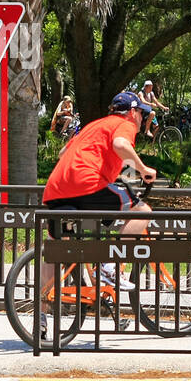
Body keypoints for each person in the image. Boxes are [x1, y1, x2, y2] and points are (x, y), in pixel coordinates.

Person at [38, 91, 159, 336]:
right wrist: (143, 168)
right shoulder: (123, 125)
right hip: (86, 186)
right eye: (140, 114)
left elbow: (64, 154)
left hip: (55, 191)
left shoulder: (94, 125)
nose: (140, 119)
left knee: (55, 249)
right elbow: (120, 145)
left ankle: (39, 314)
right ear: (133, 112)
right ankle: (109, 266)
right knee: (141, 210)